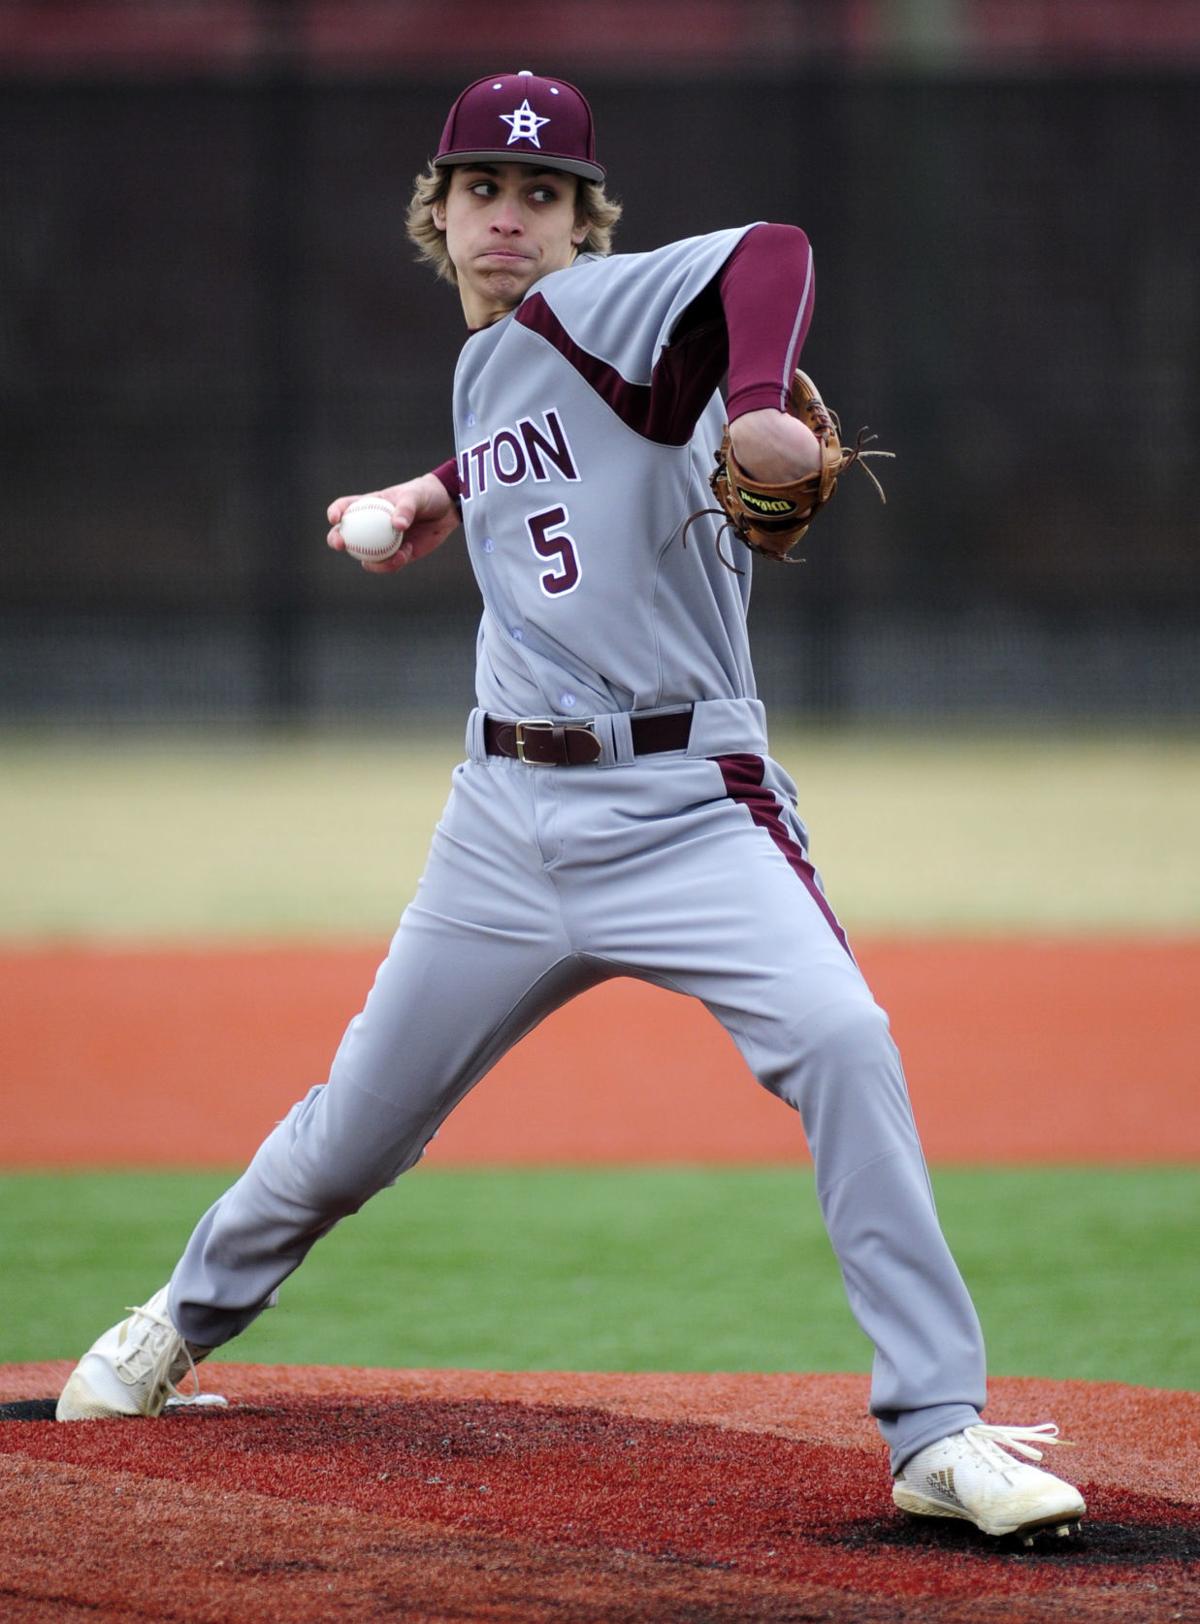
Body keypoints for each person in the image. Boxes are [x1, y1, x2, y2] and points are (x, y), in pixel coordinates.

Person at [57, 70, 1085, 1544]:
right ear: (439, 214)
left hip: (684, 805)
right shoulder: (493, 367)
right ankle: (171, 1325)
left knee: (843, 1040)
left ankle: (935, 1427)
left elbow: (771, 250)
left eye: (545, 195)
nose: (512, 217)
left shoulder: (594, 305)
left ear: (584, 224)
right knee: (358, 1129)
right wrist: (427, 496)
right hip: (503, 821)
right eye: (485, 189)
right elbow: (523, 446)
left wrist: (744, 410)